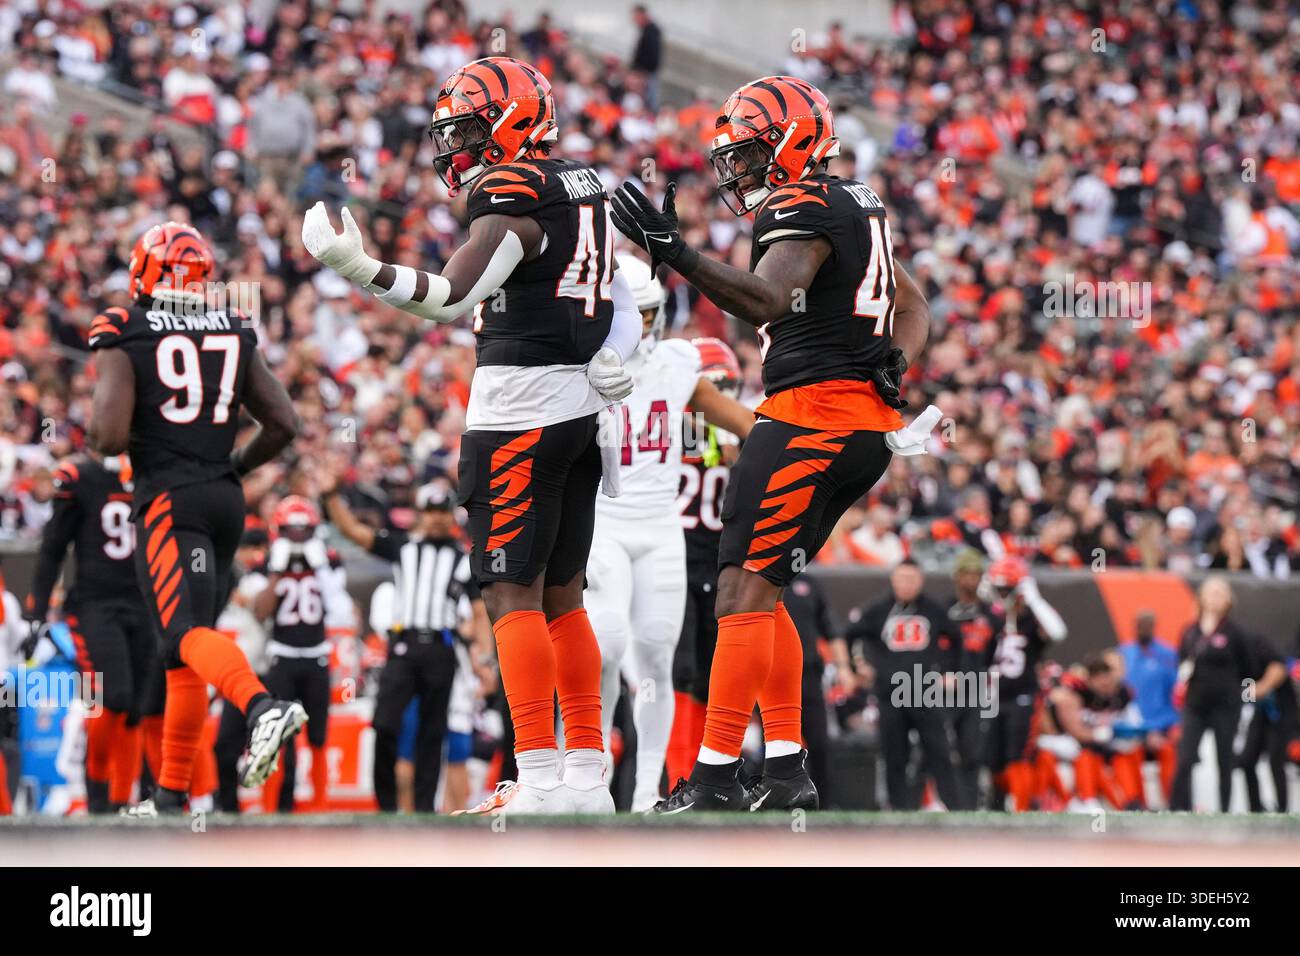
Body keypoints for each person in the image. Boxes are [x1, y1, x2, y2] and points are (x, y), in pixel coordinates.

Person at [303, 56, 641, 816]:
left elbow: (449, 296)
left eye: (467, 131)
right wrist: (623, 351)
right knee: (563, 596)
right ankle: (586, 779)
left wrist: (355, 265)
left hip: (520, 414)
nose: (456, 149)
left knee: (509, 592)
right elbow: (625, 291)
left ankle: (540, 776)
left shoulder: (510, 188)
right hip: (582, 417)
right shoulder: (584, 183)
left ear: (512, 124)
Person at [611, 74, 939, 812]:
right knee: (766, 591)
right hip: (859, 428)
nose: (743, 169)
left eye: (755, 152)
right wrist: (896, 358)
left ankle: (718, 777)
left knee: (738, 592)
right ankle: (787, 768)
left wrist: (678, 255)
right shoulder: (859, 201)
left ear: (794, 141)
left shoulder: (801, 203)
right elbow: (914, 305)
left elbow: (766, 297)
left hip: (809, 421)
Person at [88, 220, 304, 816]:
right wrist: (234, 463)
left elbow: (107, 438)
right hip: (223, 501)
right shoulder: (232, 325)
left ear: (142, 273)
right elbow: (284, 424)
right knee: (181, 651)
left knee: (182, 635)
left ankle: (262, 707)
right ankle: (170, 794)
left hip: (168, 502)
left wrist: (94, 436)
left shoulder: (125, 327)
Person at [585, 254, 753, 811]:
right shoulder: (579, 363)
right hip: (605, 522)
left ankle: (644, 792)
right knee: (606, 645)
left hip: (661, 527)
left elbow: (740, 422)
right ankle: (591, 775)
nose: (642, 326)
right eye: (634, 313)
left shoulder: (678, 363)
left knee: (657, 661)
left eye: (649, 313)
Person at [25, 452, 162, 812]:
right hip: (95, 605)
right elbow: (53, 548)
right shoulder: (80, 477)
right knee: (112, 696)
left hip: (143, 603)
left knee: (135, 709)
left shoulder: (152, 471)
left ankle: (120, 805)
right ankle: (98, 798)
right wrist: (36, 612)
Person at [668, 337, 744, 786]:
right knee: (678, 668)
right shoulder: (676, 425)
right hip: (675, 553)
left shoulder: (740, 429)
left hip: (718, 559)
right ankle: (677, 774)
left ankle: (703, 776)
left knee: (710, 672)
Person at [245, 497, 349, 812]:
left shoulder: (329, 561)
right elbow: (260, 612)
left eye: (303, 531)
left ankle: (320, 807)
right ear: (280, 530)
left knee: (318, 737)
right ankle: (269, 807)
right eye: (292, 530)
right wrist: (276, 572)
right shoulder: (267, 563)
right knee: (275, 737)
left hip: (317, 656)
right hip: (281, 656)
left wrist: (319, 569)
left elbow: (339, 610)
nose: (298, 538)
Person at [848, 560, 963, 810]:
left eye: (912, 579)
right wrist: (857, 666)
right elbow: (850, 634)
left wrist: (950, 672)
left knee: (939, 752)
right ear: (892, 580)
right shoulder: (878, 610)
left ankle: (955, 807)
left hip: (925, 693)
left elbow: (956, 639)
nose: (906, 585)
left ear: (920, 581)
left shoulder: (933, 609)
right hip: (889, 695)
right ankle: (898, 809)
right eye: (901, 579)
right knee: (894, 755)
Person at [1170, 576, 1285, 811]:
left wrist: (1247, 699)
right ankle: (1179, 808)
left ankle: (1224, 809)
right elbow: (1182, 664)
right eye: (1211, 592)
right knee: (1186, 757)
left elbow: (1250, 670)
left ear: (1229, 600)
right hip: (1195, 705)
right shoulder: (1189, 631)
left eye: (1221, 592)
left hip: (1226, 706)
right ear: (1201, 596)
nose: (1215, 597)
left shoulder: (1237, 633)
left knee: (1225, 760)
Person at [981, 555, 1068, 811]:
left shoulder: (1031, 618)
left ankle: (1022, 811)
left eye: (1007, 588)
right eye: (999, 588)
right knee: (993, 760)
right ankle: (996, 810)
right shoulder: (988, 618)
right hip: (992, 698)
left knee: (1017, 756)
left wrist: (1034, 598)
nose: (1002, 594)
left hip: (1023, 697)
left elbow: (1058, 632)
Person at [945, 549, 998, 809]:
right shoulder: (943, 610)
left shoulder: (990, 614)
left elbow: (993, 653)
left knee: (972, 751)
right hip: (938, 691)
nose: (971, 580)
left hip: (975, 689)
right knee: (938, 748)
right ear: (956, 576)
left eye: (976, 574)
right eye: (966, 573)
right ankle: (937, 802)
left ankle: (967, 806)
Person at [1114, 610, 1179, 806]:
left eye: (1147, 624)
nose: (1142, 629)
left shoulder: (1167, 655)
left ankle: (1173, 803)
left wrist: (1169, 726)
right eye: (1139, 624)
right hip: (1131, 726)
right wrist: (1138, 730)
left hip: (1161, 725)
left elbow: (1175, 694)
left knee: (1168, 751)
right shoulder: (1124, 653)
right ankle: (1135, 804)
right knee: (1128, 752)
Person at [1236, 633, 1295, 812]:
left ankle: (1282, 809)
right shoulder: (1235, 664)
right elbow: (1245, 685)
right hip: (1260, 713)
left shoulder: (1254, 644)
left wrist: (1261, 687)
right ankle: (1255, 808)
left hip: (1280, 713)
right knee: (1246, 760)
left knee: (1276, 762)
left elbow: (1279, 667)